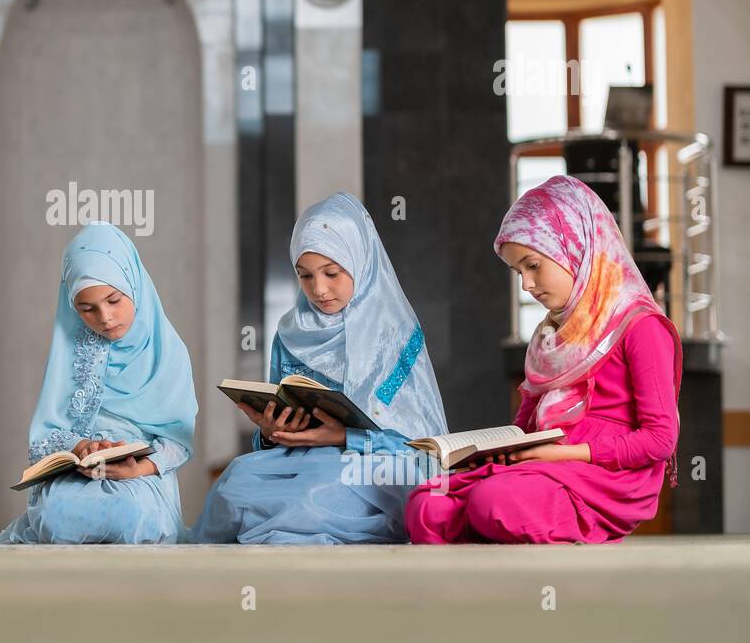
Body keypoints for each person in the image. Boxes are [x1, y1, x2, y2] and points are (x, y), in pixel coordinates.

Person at [406, 175, 681, 544]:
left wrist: (561, 454)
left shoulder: (640, 326)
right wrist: (495, 452)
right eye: (518, 271)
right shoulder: (550, 332)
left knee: (494, 502)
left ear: (575, 245)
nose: (526, 284)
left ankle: (504, 518)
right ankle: (499, 520)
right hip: (543, 461)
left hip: (601, 474)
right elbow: (527, 423)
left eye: (533, 265)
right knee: (425, 504)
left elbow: (660, 440)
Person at [193, 193, 447, 544]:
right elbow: (278, 408)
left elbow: (423, 447)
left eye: (332, 273)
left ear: (360, 262)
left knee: (310, 498)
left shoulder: (395, 333)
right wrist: (272, 431)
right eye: (305, 276)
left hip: (373, 465)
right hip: (300, 456)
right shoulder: (291, 331)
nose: (319, 289)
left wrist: (344, 437)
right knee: (237, 481)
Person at [0, 221, 196, 544]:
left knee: (135, 515)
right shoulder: (72, 351)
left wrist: (135, 469)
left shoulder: (169, 351)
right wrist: (79, 446)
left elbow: (178, 442)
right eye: (87, 309)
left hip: (140, 477)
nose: (105, 317)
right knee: (54, 516)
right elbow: (46, 436)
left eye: (114, 300)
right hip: (80, 475)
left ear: (134, 283)